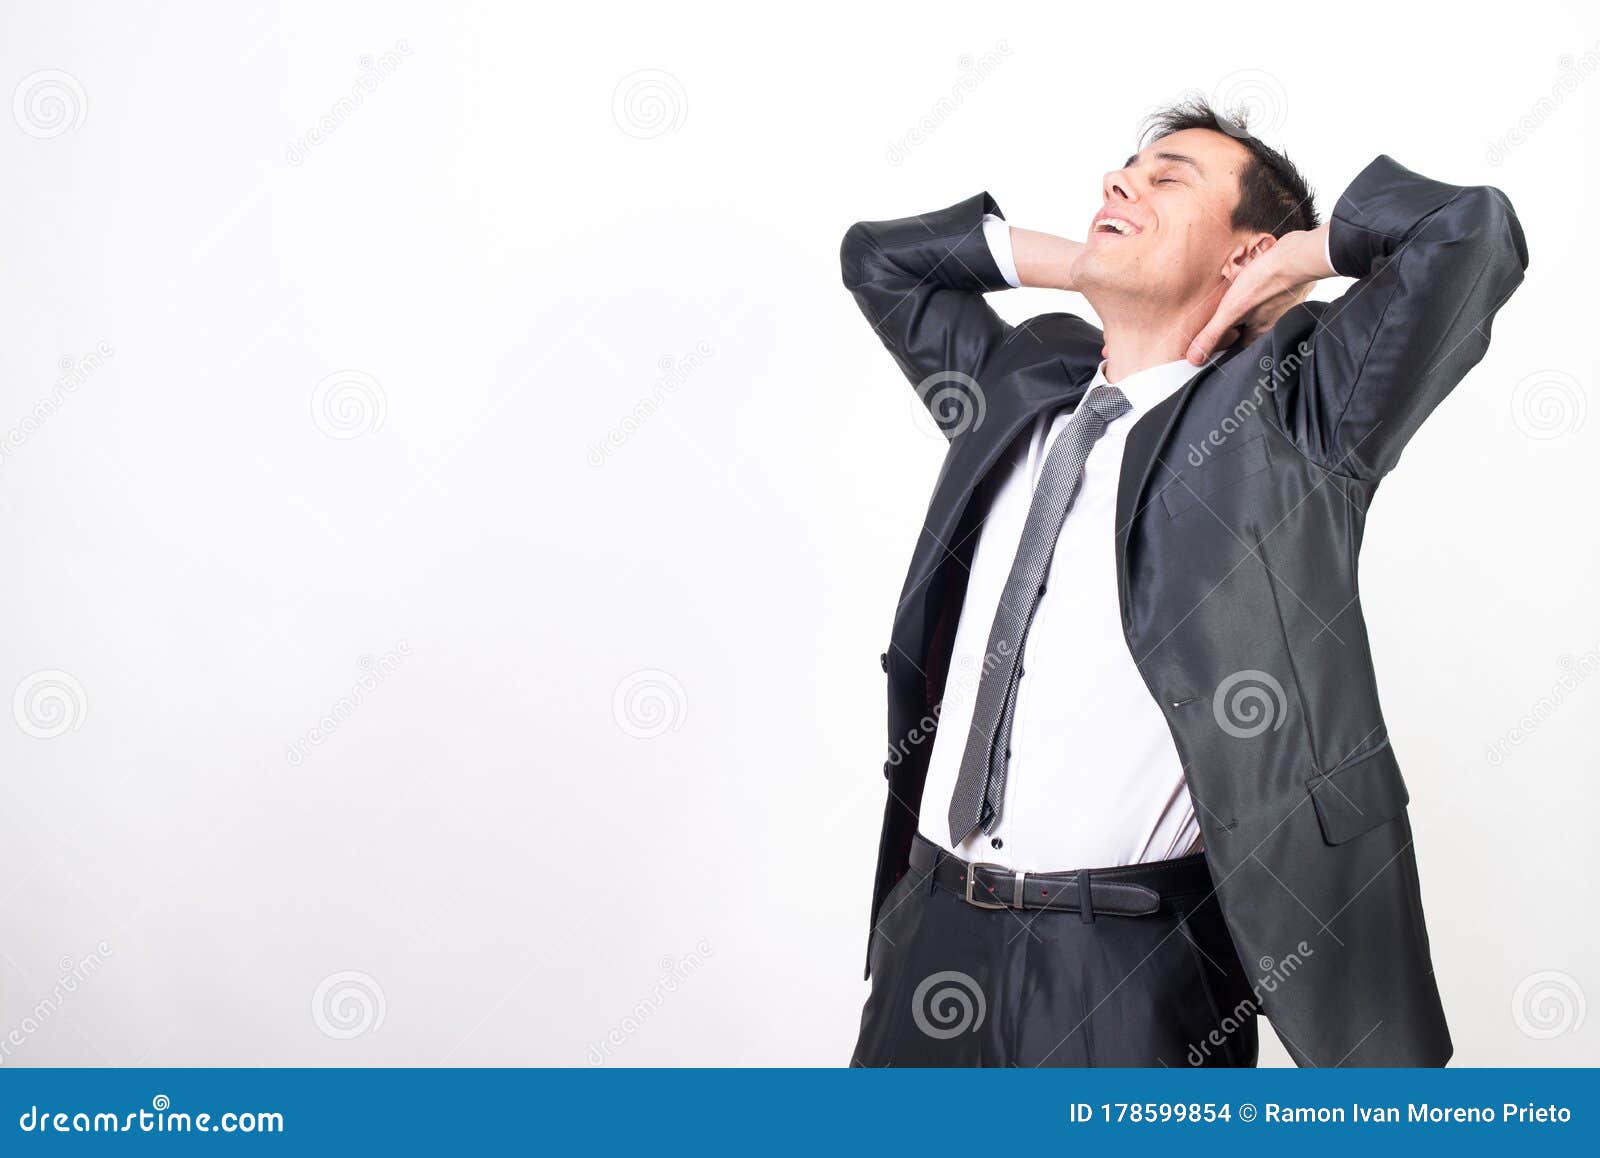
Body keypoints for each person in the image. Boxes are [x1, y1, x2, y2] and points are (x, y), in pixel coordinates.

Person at [840, 97, 1528, 1067]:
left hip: (1130, 970)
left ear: (1247, 250)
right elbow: (880, 259)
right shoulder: (1018, 380)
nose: (1119, 183)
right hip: (932, 932)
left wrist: (1288, 265)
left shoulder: (1294, 415)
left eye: (1168, 179)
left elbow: (1470, 233)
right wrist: (1083, 263)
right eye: (1123, 172)